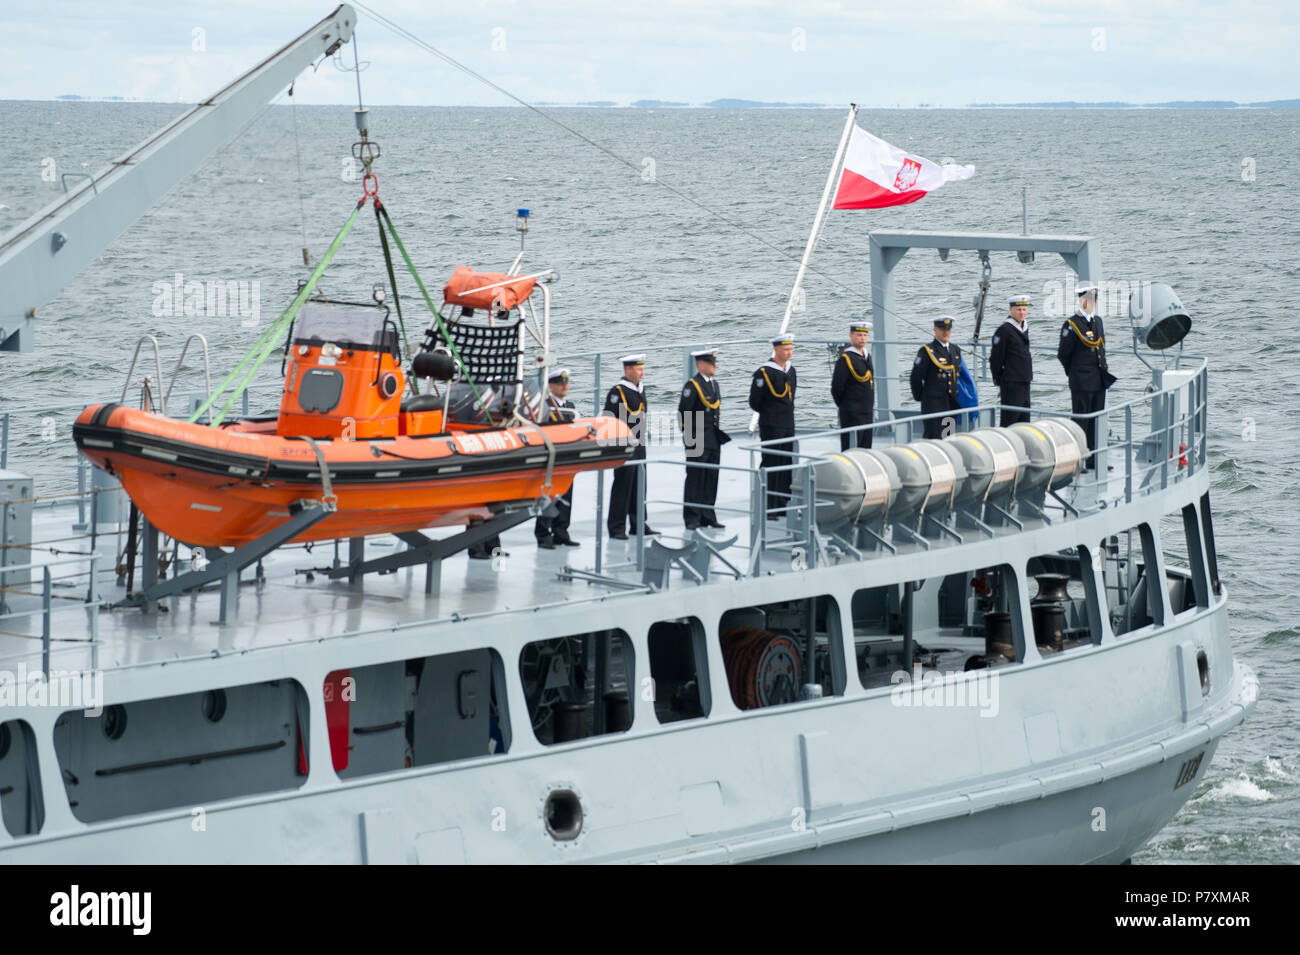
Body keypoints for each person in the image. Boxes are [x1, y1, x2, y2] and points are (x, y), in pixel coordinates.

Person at [1058, 283, 1117, 468]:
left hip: (1098, 381)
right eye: (1089, 299)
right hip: (1082, 382)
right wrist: (1075, 373)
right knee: (1080, 422)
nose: (1092, 303)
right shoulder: (1072, 325)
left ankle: (1092, 460)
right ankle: (1077, 461)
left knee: (1094, 422)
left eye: (1094, 299)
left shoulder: (1097, 321)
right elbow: (1063, 354)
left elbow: (1101, 350)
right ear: (1082, 301)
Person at [603, 354, 657, 540]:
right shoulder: (618, 392)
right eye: (638, 369)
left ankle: (638, 523)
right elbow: (609, 420)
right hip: (624, 446)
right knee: (623, 486)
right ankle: (617, 527)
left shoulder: (638, 389)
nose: (642, 373)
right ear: (628, 370)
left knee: (640, 485)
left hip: (639, 444)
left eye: (642, 369)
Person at [678, 349, 729, 529]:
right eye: (710, 362)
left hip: (713, 438)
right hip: (697, 439)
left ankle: (708, 515)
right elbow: (684, 415)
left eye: (715, 362)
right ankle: (692, 518)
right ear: (700, 365)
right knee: (695, 478)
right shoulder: (692, 387)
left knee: (711, 477)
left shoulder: (715, 385)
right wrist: (690, 441)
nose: (715, 366)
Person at [749, 334, 798, 518]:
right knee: (771, 462)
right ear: (776, 350)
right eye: (786, 349)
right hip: (771, 424)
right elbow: (754, 401)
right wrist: (770, 414)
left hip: (788, 424)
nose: (789, 353)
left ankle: (783, 502)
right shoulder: (764, 373)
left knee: (786, 463)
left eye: (791, 349)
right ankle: (769, 505)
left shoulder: (791, 371)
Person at [535, 368, 580, 549]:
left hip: (566, 457)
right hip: (551, 458)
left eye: (566, 383)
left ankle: (561, 532)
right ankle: (543, 534)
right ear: (551, 386)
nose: (564, 387)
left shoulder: (571, 407)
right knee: (548, 496)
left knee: (566, 496)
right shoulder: (544, 406)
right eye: (560, 384)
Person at [909, 316, 962, 439]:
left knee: (949, 439)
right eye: (942, 329)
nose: (946, 332)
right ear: (935, 329)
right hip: (933, 405)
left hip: (951, 404)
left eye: (948, 329)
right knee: (933, 439)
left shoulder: (955, 350)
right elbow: (915, 378)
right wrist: (921, 398)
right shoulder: (927, 351)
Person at [988, 294, 1034, 426]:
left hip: (1025, 380)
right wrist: (999, 379)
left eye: (1024, 309)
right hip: (1011, 382)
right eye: (1018, 309)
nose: (1022, 312)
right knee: (1010, 419)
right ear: (1011, 310)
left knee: (1024, 420)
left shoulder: (1024, 327)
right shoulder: (1004, 331)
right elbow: (995, 359)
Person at [830, 320, 875, 450]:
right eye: (859, 335)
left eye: (865, 335)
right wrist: (846, 407)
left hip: (867, 410)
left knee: (866, 447)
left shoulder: (866, 356)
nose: (862, 338)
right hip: (852, 412)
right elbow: (837, 388)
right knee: (851, 448)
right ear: (851, 336)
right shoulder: (846, 360)